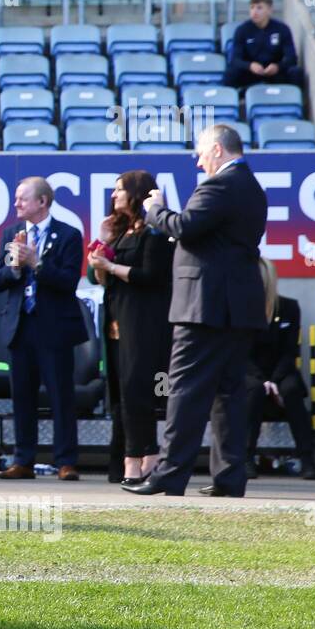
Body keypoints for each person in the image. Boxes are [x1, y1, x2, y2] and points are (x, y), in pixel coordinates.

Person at [124, 125, 269, 498]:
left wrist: (154, 208)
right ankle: (230, 477)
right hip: (238, 309)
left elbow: (185, 226)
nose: (198, 159)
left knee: (185, 390)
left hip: (205, 306)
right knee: (230, 395)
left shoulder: (220, 186)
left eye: (202, 152)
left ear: (218, 150)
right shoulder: (251, 187)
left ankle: (169, 474)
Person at [0, 176, 88, 481]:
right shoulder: (11, 234)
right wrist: (15, 268)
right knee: (22, 395)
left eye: (22, 198)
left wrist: (38, 264)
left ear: (42, 202)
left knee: (61, 395)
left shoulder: (69, 235)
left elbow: (69, 281)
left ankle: (66, 461)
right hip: (21, 326)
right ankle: (23, 459)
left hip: (54, 327)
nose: (16, 204)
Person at [87, 171, 174, 485]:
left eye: (119, 190)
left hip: (143, 323)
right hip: (115, 322)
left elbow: (151, 276)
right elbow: (94, 277)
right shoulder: (119, 232)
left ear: (136, 193)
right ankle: (124, 460)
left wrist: (110, 266)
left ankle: (142, 460)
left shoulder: (155, 232)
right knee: (120, 394)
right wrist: (103, 242)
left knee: (139, 392)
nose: (114, 196)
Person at [247, 259, 315, 479]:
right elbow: (240, 352)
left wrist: (275, 379)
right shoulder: (243, 309)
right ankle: (245, 457)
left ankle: (307, 459)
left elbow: (290, 351)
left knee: (291, 391)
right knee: (254, 390)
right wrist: (263, 380)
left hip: (281, 370)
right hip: (251, 371)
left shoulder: (289, 307)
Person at [222, 0, 305, 90]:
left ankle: (293, 101)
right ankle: (237, 101)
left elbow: (292, 58)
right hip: (251, 73)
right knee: (230, 74)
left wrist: (278, 66)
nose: (254, 12)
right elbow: (235, 60)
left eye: (259, 8)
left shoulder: (282, 29)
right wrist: (250, 66)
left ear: (270, 10)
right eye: (252, 7)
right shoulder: (242, 30)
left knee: (296, 72)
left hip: (275, 73)